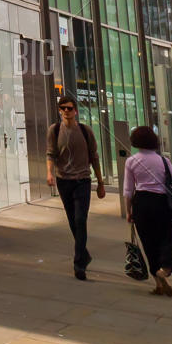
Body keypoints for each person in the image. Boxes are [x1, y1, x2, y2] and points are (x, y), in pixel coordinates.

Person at [46, 96, 106, 280]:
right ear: (59, 110)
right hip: (64, 180)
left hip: (82, 181)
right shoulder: (54, 130)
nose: (66, 111)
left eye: (69, 108)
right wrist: (49, 173)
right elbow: (51, 154)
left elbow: (94, 157)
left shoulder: (85, 131)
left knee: (80, 219)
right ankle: (84, 254)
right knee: (73, 221)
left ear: (75, 111)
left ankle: (79, 264)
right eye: (63, 108)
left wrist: (100, 182)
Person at [123, 126, 172, 296]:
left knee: (149, 243)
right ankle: (164, 269)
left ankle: (158, 284)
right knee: (168, 237)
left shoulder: (131, 161)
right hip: (162, 203)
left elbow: (128, 190)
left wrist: (129, 211)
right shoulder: (164, 161)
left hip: (141, 203)